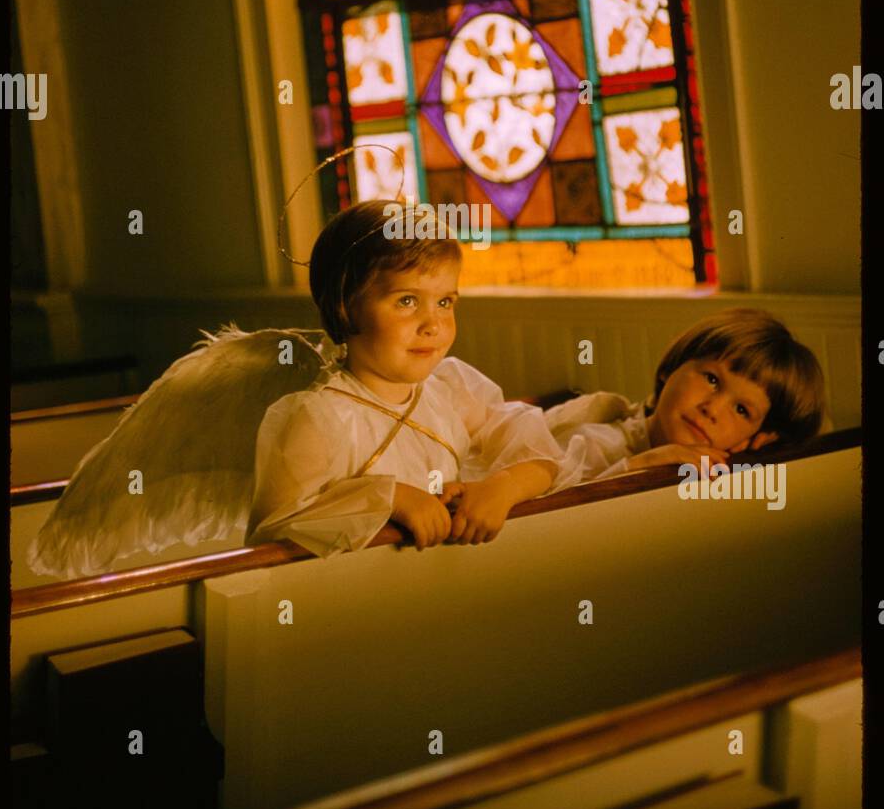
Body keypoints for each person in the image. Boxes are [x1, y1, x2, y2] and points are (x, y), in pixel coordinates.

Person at [246, 198, 595, 555]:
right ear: (345, 305)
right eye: (407, 301)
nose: (433, 325)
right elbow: (270, 534)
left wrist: (503, 488)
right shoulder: (317, 418)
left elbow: (541, 455)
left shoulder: (452, 390)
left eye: (445, 302)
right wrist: (388, 497)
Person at [543, 307, 826, 481]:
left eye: (742, 410)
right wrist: (638, 466)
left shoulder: (729, 475)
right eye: (712, 379)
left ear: (754, 438)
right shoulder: (591, 442)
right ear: (672, 368)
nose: (712, 408)